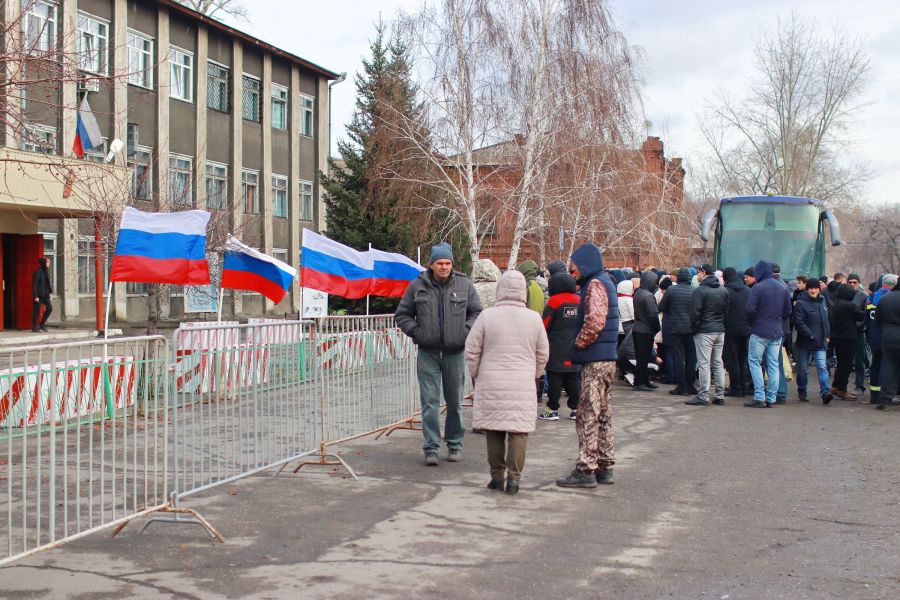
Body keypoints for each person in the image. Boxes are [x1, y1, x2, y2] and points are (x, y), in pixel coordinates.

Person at [395, 242, 483, 466]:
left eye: (448, 263)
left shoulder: (465, 285)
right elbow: (403, 314)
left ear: (452, 264)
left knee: (454, 402)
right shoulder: (417, 286)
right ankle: (431, 448)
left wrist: (464, 332)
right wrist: (417, 332)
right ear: (431, 264)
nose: (444, 267)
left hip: (455, 353)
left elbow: (477, 312)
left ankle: (455, 444)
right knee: (430, 403)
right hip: (428, 353)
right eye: (440, 263)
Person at [465, 270, 549, 494]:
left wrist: (476, 374)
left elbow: (472, 350)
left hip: (491, 379)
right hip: (522, 381)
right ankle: (514, 479)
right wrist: (535, 374)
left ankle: (496, 477)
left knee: (494, 429)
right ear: (523, 291)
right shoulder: (534, 318)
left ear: (500, 289)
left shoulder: (486, 316)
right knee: (518, 431)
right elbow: (543, 353)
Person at [556, 243, 620, 489]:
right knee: (603, 413)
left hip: (595, 359)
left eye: (574, 265)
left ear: (584, 264)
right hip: (606, 357)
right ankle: (605, 465)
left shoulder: (595, 285)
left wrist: (579, 344)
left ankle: (586, 468)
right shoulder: (605, 281)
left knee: (588, 414)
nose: (573, 270)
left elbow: (594, 322)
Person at [745, 260, 792, 407]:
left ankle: (759, 396)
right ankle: (771, 398)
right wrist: (777, 320)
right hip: (777, 331)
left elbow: (749, 310)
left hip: (759, 330)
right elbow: (788, 311)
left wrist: (754, 322)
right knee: (774, 365)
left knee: (755, 362)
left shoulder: (757, 288)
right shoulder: (782, 287)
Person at [540, 272, 582, 421]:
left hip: (556, 347)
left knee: (555, 379)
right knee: (574, 379)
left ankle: (552, 409)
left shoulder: (554, 301)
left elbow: (544, 324)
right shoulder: (579, 300)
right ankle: (576, 409)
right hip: (575, 346)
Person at [685, 264, 729, 406]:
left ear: (704, 273)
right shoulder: (723, 290)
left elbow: (694, 313)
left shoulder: (700, 290)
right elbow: (726, 311)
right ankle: (719, 395)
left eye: (698, 272)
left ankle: (703, 395)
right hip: (719, 329)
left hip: (704, 331)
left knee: (704, 364)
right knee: (717, 363)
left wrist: (694, 328)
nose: (697, 274)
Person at [792, 279, 833, 404]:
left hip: (820, 342)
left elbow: (826, 320)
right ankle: (802, 390)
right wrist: (810, 335)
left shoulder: (822, 300)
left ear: (819, 289)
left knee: (822, 367)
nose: (813, 290)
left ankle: (825, 391)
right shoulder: (800, 303)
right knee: (803, 369)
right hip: (805, 342)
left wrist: (827, 335)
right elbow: (799, 322)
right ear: (807, 289)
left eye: (816, 288)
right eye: (811, 288)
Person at [657, 268, 696, 396]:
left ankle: (681, 386)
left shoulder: (671, 290)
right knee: (691, 358)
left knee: (678, 357)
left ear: (678, 278)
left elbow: (661, 307)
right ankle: (691, 385)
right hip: (691, 329)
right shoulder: (695, 290)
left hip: (676, 328)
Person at [829, 283, 864, 400]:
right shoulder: (850, 306)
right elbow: (861, 316)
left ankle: (835, 386)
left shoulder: (835, 304)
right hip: (848, 338)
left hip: (837, 338)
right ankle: (842, 389)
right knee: (847, 365)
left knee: (841, 364)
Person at [868, 274, 897, 406]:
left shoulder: (882, 299)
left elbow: (877, 321)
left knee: (886, 367)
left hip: (885, 337)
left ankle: (881, 398)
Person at [722, 267, 751, 397]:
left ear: (725, 278)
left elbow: (722, 311)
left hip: (730, 330)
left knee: (731, 359)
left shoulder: (725, 291)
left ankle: (736, 387)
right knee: (742, 359)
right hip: (746, 330)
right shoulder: (748, 290)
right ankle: (744, 385)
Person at [874, 279, 900, 411]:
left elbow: (877, 320)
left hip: (889, 337)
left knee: (889, 368)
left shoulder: (885, 298)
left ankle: (885, 400)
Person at [631, 271, 660, 392]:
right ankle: (639, 382)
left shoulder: (638, 293)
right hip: (646, 330)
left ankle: (643, 380)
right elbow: (652, 314)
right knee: (643, 357)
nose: (656, 285)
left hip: (637, 328)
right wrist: (657, 327)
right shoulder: (648, 296)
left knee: (641, 357)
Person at [847, 273, 869, 394]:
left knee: (860, 360)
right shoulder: (843, 295)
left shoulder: (864, 296)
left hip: (858, 332)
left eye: (854, 282)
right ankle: (842, 386)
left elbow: (865, 315)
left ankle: (860, 385)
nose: (852, 284)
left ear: (858, 283)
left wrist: (859, 325)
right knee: (845, 360)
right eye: (849, 282)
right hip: (845, 332)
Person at [31, 257, 53, 333]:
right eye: (48, 262)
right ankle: (34, 327)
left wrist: (50, 293)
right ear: (43, 263)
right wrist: (35, 295)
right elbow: (35, 284)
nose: (49, 264)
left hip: (46, 295)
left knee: (49, 308)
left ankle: (42, 324)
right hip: (39, 296)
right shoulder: (37, 272)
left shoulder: (46, 271)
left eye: (49, 262)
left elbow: (47, 283)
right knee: (36, 311)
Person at [616, 279, 635, 349]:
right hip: (628, 325)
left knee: (619, 345)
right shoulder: (628, 299)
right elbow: (633, 314)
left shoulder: (617, 298)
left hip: (618, 326)